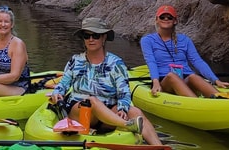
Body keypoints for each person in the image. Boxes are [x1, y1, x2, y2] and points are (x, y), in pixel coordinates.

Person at [48, 17, 161, 146]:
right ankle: (128, 125)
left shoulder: (116, 63)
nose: (91, 39)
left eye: (95, 35)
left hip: (108, 114)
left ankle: (160, 147)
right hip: (81, 111)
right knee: (92, 101)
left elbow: (124, 93)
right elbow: (63, 84)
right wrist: (57, 92)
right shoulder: (75, 60)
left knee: (135, 112)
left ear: (104, 38)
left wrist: (123, 109)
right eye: (87, 36)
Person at [140, 4, 229, 98]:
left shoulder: (185, 40)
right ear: (157, 20)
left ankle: (221, 98)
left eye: (169, 17)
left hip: (185, 78)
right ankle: (197, 104)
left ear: (175, 21)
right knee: (172, 76)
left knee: (193, 76)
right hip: (164, 81)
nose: (166, 19)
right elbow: (151, 61)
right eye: (162, 17)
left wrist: (216, 80)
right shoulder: (147, 40)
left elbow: (197, 61)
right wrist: (155, 82)